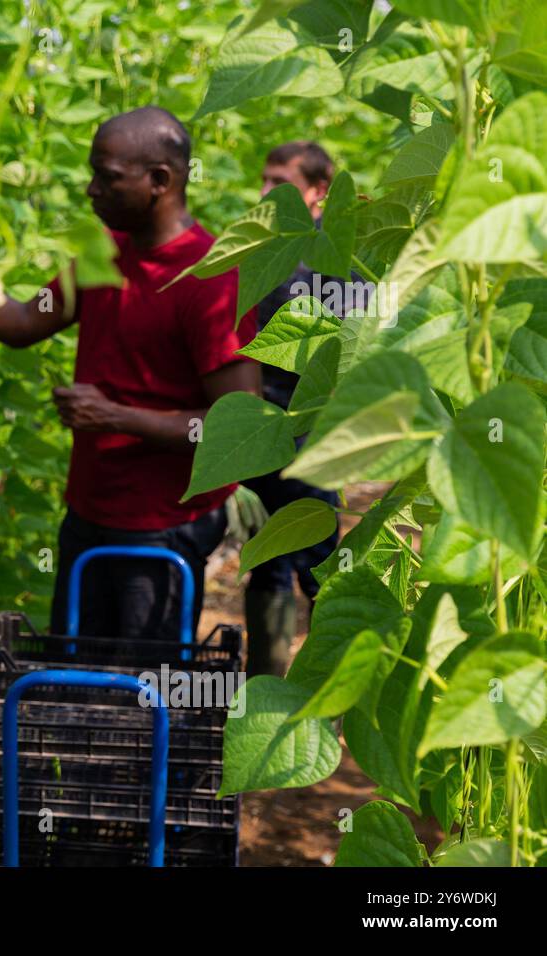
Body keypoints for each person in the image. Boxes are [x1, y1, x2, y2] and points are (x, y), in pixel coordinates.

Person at [0, 106, 259, 642]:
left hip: (163, 526)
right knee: (74, 678)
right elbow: (22, 320)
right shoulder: (102, 257)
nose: (91, 190)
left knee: (137, 694)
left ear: (160, 181)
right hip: (90, 512)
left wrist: (115, 416)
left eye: (107, 177)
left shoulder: (211, 279)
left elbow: (238, 430)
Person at [242, 141, 349, 676]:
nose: (265, 193)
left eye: (278, 181)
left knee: (320, 567)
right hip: (256, 434)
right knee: (266, 564)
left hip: (310, 439)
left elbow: (352, 347)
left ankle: (332, 686)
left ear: (318, 191)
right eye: (263, 179)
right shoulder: (259, 248)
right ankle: (266, 688)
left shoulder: (335, 256)